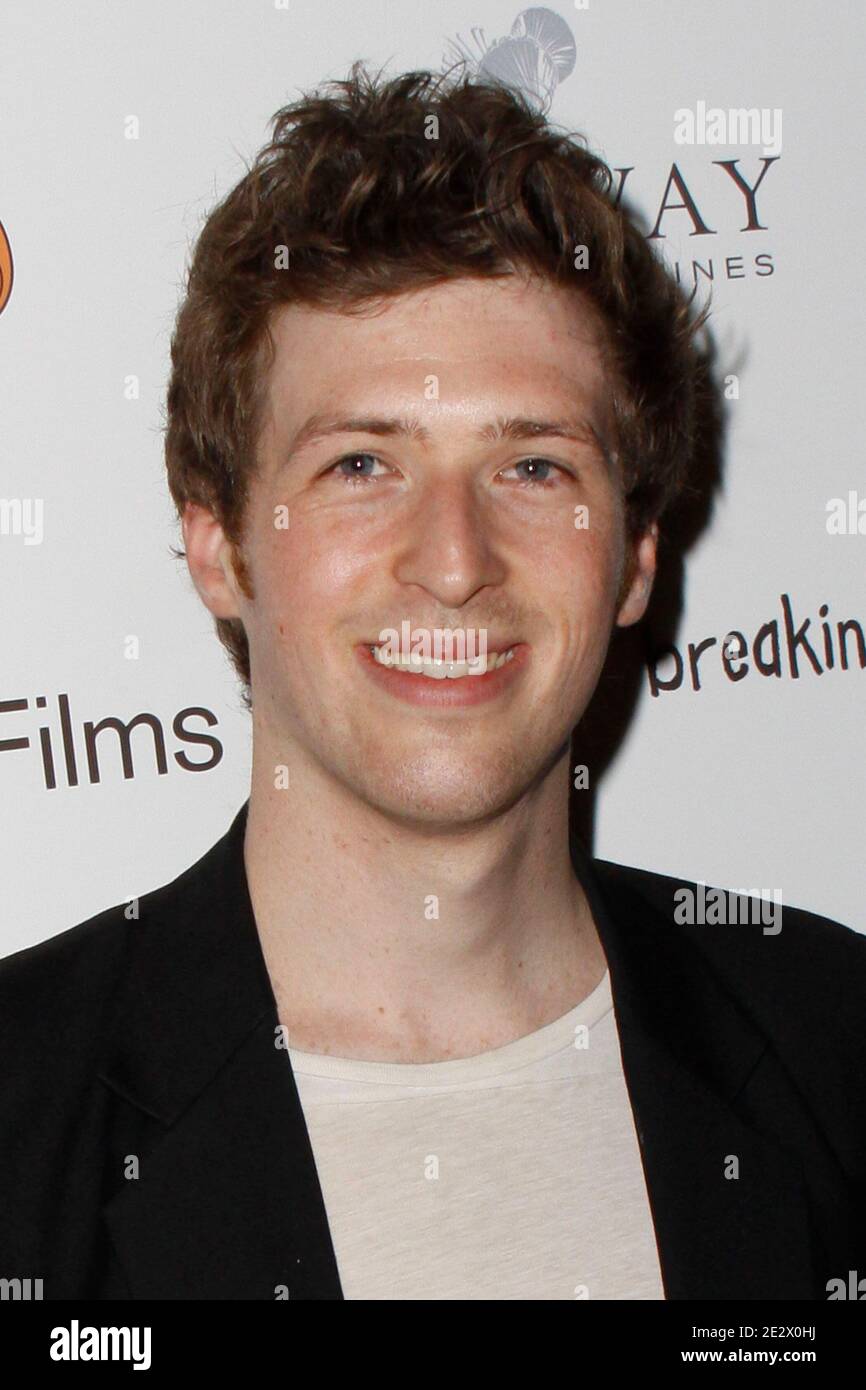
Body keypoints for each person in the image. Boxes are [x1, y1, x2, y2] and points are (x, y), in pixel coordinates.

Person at [2, 64, 864, 1302]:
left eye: (532, 466)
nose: (454, 563)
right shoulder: (23, 1117)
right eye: (361, 463)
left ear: (631, 556)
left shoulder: (834, 1045)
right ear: (218, 545)